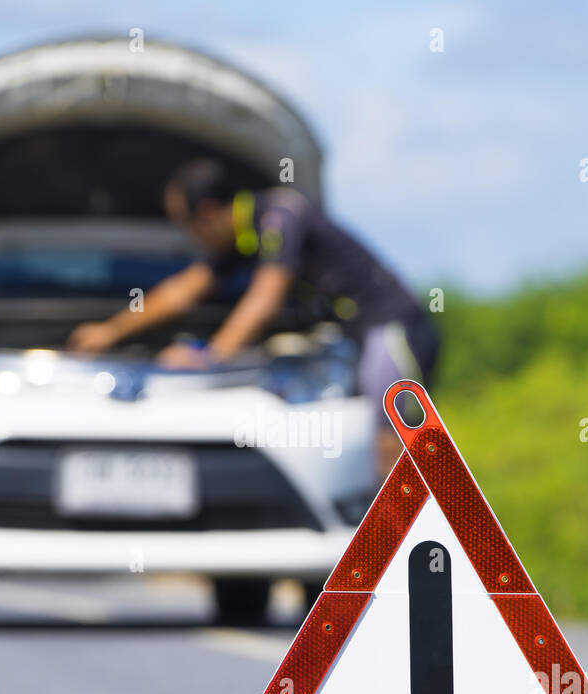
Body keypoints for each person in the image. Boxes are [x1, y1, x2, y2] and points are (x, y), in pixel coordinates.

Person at [67, 158, 440, 473]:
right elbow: (184, 290)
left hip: (393, 331)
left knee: (391, 441)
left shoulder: (281, 215)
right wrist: (110, 330)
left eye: (188, 226)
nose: (191, 240)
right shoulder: (245, 234)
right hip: (363, 338)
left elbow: (265, 297)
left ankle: (411, 545)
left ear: (210, 213)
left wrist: (208, 358)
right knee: (370, 443)